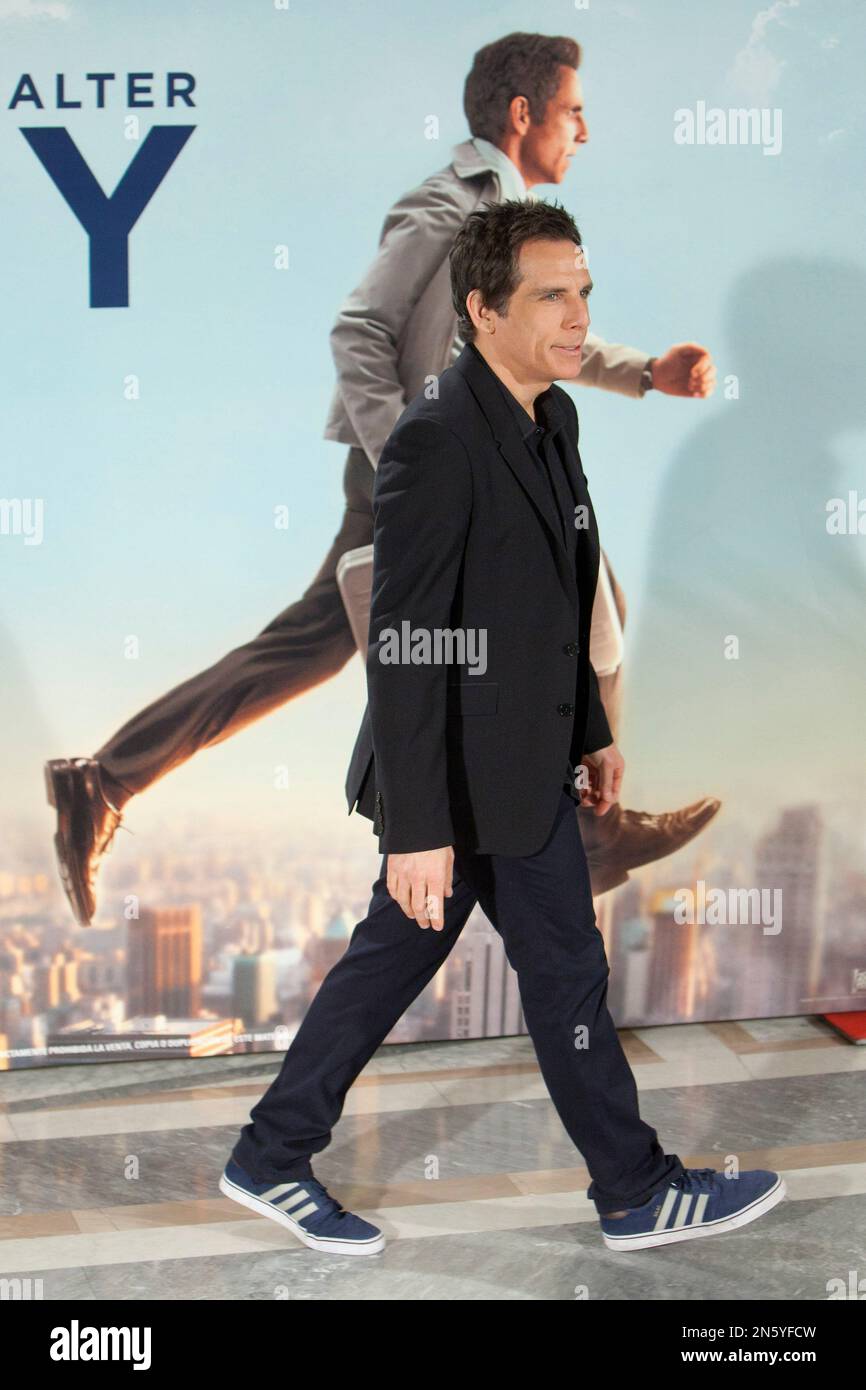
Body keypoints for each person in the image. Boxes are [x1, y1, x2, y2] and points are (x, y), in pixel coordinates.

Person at [45, 30, 718, 927]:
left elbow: (527, 337)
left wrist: (645, 371)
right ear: (524, 116)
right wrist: (409, 454)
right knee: (587, 601)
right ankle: (588, 829)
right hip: (419, 480)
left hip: (450, 479)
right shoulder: (445, 207)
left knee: (312, 645)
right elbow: (358, 329)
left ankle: (104, 779)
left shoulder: (505, 219)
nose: (584, 131)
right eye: (574, 112)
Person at [219, 199, 786, 1255]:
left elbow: (552, 591)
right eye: (550, 296)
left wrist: (588, 734)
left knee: (396, 964)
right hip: (457, 781)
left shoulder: (551, 418)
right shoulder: (434, 441)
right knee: (557, 968)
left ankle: (269, 1153)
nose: (577, 318)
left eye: (583, 294)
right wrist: (417, 830)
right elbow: (403, 644)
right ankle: (631, 1187)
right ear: (481, 310)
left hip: (522, 760)